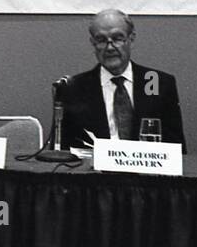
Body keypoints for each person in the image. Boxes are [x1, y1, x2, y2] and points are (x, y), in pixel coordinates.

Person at [54, 9, 186, 149]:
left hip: (147, 168)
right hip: (93, 168)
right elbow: (63, 149)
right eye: (101, 40)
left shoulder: (157, 82)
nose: (110, 47)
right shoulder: (73, 88)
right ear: (93, 43)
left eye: (117, 38)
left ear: (131, 39)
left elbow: (176, 147)